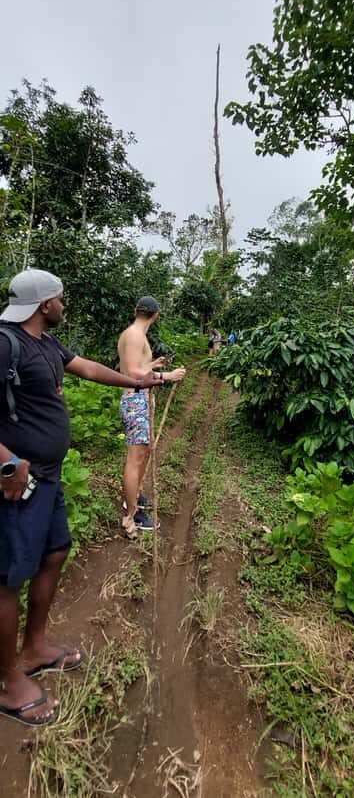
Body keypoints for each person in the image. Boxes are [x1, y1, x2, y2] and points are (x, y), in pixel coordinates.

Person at [0, 269, 162, 728]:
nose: (62, 304)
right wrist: (7, 463)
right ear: (44, 305)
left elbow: (87, 368)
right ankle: (8, 681)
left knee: (54, 552)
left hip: (48, 476)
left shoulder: (45, 343)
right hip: (20, 481)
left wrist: (139, 382)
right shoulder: (5, 344)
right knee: (9, 577)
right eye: (59, 298)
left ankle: (34, 648)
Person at [117, 296, 186, 539]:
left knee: (143, 452)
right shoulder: (136, 335)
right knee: (135, 457)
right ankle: (132, 512)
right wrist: (167, 376)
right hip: (135, 400)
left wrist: (153, 364)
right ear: (156, 315)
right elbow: (133, 372)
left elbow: (135, 366)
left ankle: (133, 497)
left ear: (136, 310)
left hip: (140, 399)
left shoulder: (134, 334)